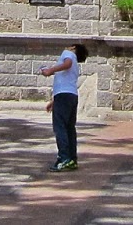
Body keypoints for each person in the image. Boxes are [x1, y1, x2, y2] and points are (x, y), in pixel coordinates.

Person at [42, 42, 88, 172]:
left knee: (60, 127)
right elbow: (65, 82)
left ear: (73, 48)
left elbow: (67, 64)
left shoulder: (68, 54)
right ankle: (72, 158)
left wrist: (51, 70)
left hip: (63, 96)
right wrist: (54, 101)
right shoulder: (76, 66)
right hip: (71, 96)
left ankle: (64, 158)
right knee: (69, 128)